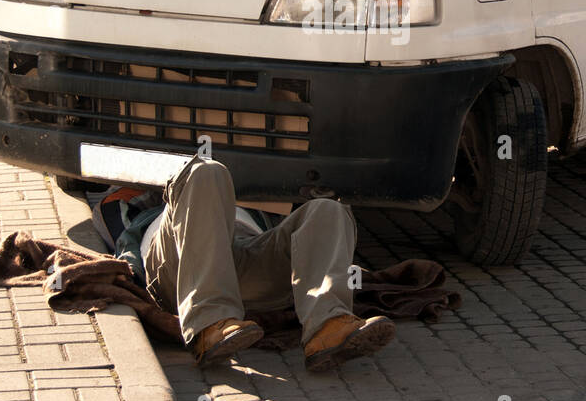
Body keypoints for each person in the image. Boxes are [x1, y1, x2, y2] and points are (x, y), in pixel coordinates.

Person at [114, 156, 395, 372]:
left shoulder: (252, 201)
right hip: (181, 264)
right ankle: (208, 325)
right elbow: (121, 244)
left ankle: (327, 325)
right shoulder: (146, 206)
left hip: (243, 261)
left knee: (329, 208)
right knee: (205, 170)